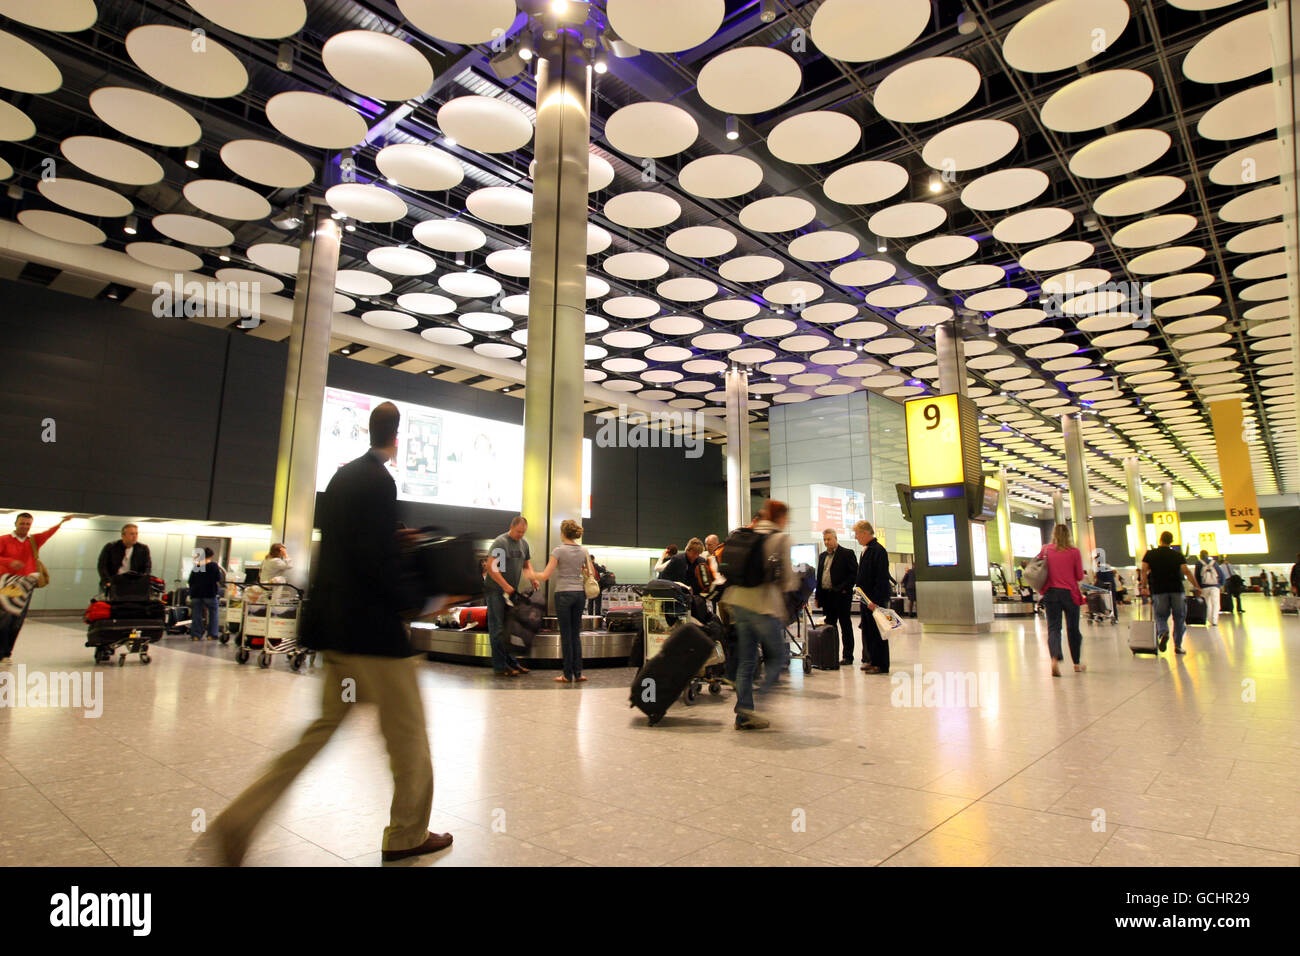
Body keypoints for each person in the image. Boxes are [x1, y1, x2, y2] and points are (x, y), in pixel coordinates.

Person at [202, 402, 451, 866]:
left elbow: (343, 549)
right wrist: (419, 601)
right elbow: (375, 562)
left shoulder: (342, 478)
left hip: (335, 629)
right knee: (409, 737)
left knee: (318, 732)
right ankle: (407, 835)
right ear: (397, 440)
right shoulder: (381, 481)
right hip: (373, 636)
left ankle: (241, 819)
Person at [720, 500, 797, 730]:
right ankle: (753, 705)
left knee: (747, 660)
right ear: (781, 518)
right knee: (778, 657)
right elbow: (787, 580)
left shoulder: (748, 533)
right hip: (763, 606)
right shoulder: (780, 538)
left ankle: (744, 713)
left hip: (738, 603)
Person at [0, 512, 74, 663]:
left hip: (26, 584)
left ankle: (7, 653)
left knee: (17, 620)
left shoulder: (33, 541)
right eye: (22, 523)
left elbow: (47, 534)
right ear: (16, 524)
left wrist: (60, 524)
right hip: (8, 583)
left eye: (28, 524)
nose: (25, 526)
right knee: (5, 618)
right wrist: (9, 562)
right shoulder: (4, 540)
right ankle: (0, 653)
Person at [533, 519, 596, 684]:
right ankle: (578, 672)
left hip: (563, 594)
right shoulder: (583, 550)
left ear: (562, 533)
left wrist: (531, 574)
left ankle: (567, 675)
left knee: (566, 635)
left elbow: (546, 575)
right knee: (576, 634)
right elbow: (590, 573)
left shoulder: (558, 551)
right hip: (579, 594)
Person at [484, 516, 539, 677]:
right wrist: (505, 586)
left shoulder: (523, 544)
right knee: (498, 629)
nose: (520, 535)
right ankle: (500, 666)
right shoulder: (501, 543)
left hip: (511, 593)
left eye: (523, 532)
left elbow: (526, 563)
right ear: (511, 527)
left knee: (510, 629)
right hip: (496, 591)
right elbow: (492, 567)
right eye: (518, 532)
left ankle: (512, 663)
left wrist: (533, 578)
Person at [1141, 532, 1201, 655]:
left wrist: (1144, 586)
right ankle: (1178, 646)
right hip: (1177, 590)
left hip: (1159, 590)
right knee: (1179, 618)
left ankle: (1163, 632)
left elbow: (1144, 570)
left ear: (1160, 540)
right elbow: (1186, 571)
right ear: (1171, 541)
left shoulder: (1150, 554)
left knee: (1160, 615)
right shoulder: (1177, 555)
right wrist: (1196, 586)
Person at [1038, 525, 1086, 677]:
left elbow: (1039, 569)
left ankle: (1054, 659)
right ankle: (1077, 664)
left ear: (1053, 534)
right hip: (1070, 594)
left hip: (1050, 593)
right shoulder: (1074, 552)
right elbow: (1079, 576)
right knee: (1073, 629)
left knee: (1054, 628)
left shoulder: (1045, 550)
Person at [853, 520, 892, 674]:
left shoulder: (878, 550)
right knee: (868, 631)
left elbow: (881, 577)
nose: (856, 537)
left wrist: (875, 600)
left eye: (857, 534)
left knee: (878, 633)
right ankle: (872, 660)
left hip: (874, 600)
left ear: (864, 533)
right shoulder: (867, 550)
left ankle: (881, 664)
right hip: (865, 598)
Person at [814, 528, 857, 665]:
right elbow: (820, 577)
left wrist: (843, 589)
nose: (827, 542)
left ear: (835, 538)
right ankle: (831, 654)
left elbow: (853, 575)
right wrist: (818, 596)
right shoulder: (822, 556)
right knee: (830, 626)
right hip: (827, 596)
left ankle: (848, 656)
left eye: (829, 539)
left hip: (841, 596)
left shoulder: (847, 554)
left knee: (845, 624)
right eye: (825, 539)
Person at [188, 547, 224, 641]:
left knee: (196, 614)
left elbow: (190, 580)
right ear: (211, 556)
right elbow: (218, 578)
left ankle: (196, 635)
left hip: (196, 594)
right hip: (209, 593)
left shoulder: (197, 566)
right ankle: (211, 635)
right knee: (213, 613)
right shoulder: (213, 565)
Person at [1195, 550, 1226, 626]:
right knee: (1215, 603)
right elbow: (1221, 574)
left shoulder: (1199, 563)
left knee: (1207, 603)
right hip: (1215, 586)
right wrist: (1221, 584)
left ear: (1200, 555)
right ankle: (1215, 620)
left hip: (1204, 587)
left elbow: (1197, 576)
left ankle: (1209, 619)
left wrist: (1199, 586)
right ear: (1208, 555)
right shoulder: (1214, 563)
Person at [1093, 551, 1118, 623]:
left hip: (1104, 588)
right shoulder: (1108, 566)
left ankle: (1100, 617)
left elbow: (1099, 580)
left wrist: (1094, 587)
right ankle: (1115, 617)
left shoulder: (1100, 568)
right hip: (1111, 587)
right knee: (1112, 603)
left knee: (1100, 602)